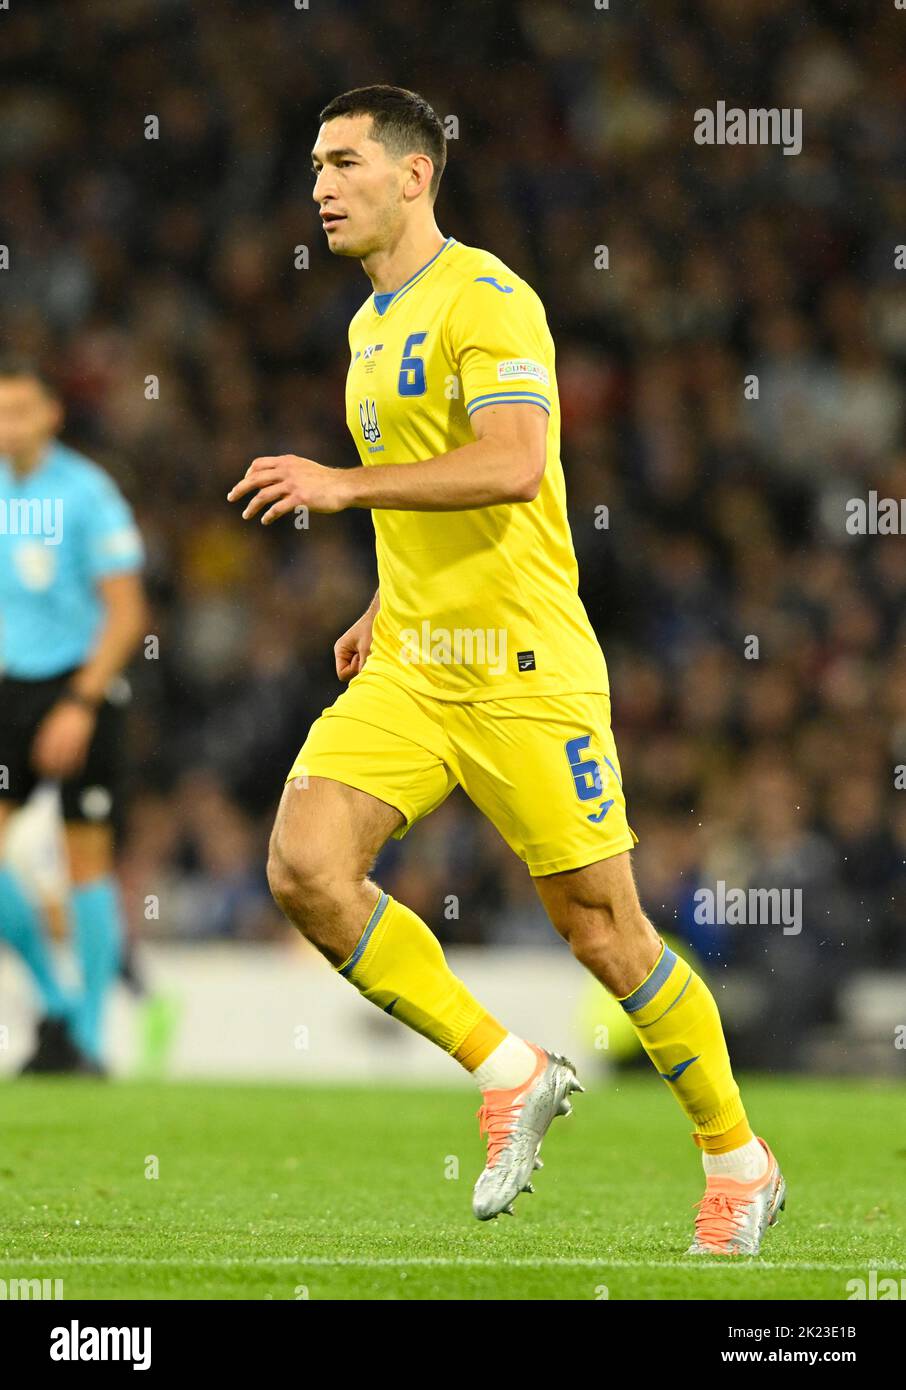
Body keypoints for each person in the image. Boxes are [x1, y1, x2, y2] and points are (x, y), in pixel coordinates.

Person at [228, 86, 785, 1252]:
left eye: (342, 163)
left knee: (605, 932)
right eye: (314, 166)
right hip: (417, 667)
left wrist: (338, 484)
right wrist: (386, 598)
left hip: (526, 669)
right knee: (306, 868)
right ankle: (509, 1068)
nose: (319, 187)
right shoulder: (367, 327)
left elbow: (515, 461)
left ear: (414, 174)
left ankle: (738, 1159)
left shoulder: (488, 298)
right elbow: (435, 476)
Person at [0, 356, 147, 1074]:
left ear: (51, 415)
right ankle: (56, 1002)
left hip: (79, 684)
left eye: (19, 411)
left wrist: (81, 703)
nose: (6, 426)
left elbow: (127, 612)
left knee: (87, 859)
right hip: (7, 687)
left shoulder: (87, 492)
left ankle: (87, 1038)